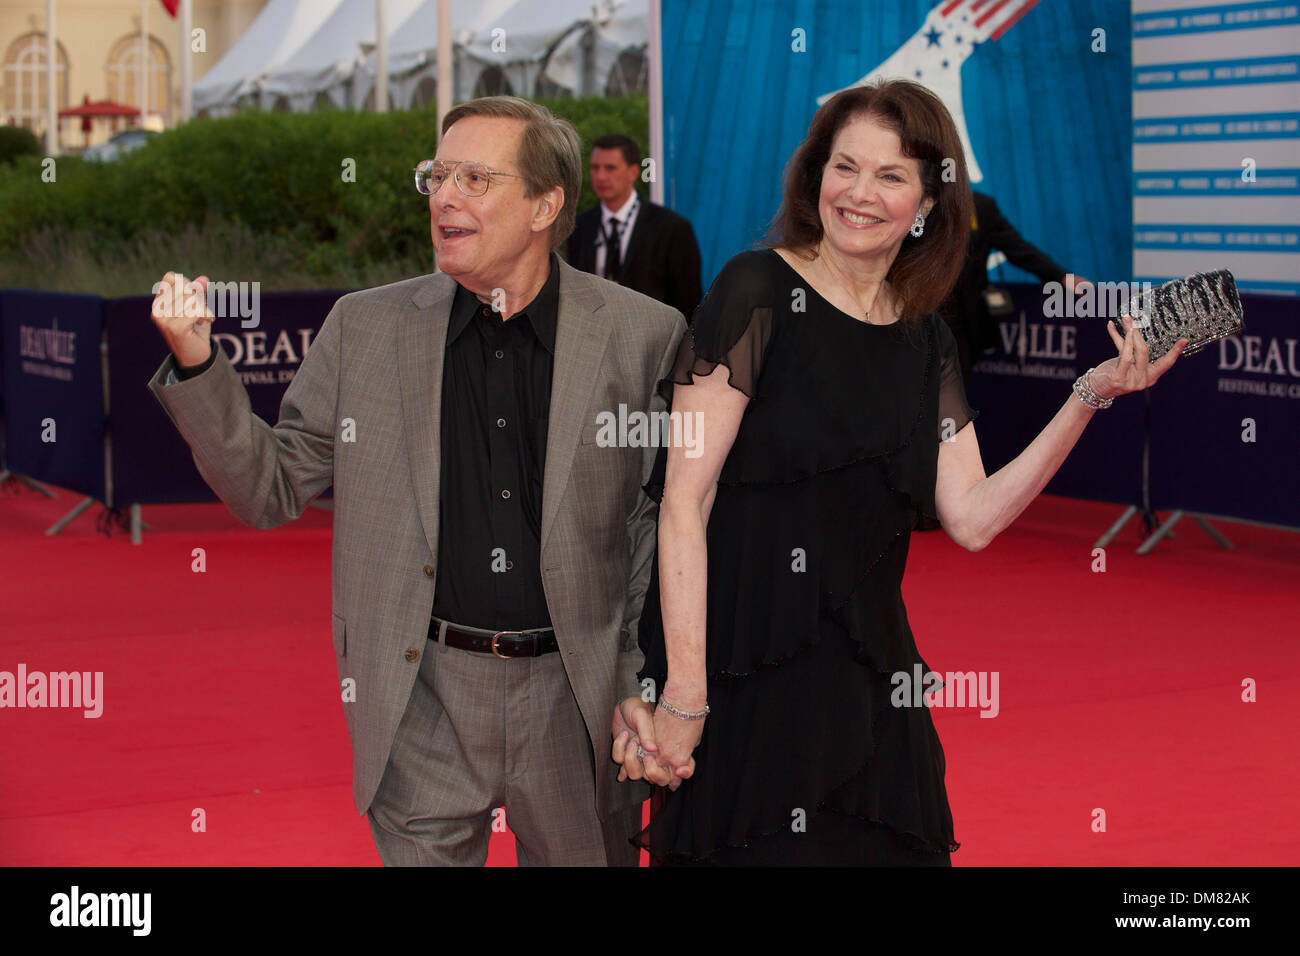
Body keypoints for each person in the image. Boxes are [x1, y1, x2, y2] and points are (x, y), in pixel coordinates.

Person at [610, 79, 1187, 866]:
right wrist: (683, 691)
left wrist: (1090, 395)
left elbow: (974, 518)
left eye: (891, 176)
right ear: (816, 176)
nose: (859, 193)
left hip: (870, 675)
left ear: (926, 203)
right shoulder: (756, 291)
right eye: (845, 166)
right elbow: (684, 500)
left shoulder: (927, 342)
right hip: (740, 671)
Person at [147, 96, 686, 866]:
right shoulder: (365, 329)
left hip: (577, 703)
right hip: (419, 696)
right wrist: (200, 363)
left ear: (545, 204)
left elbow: (658, 526)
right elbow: (268, 488)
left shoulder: (643, 334)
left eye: (474, 178)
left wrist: (644, 683)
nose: (444, 197)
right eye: (436, 176)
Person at [942, 190, 1093, 386]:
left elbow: (1018, 249)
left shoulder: (979, 206)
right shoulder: (910, 203)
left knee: (953, 395)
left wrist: (1060, 277)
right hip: (913, 321)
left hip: (961, 326)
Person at [567, 134, 703, 320]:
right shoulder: (579, 227)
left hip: (655, 341)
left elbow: (689, 303)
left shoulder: (672, 228)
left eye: (610, 168)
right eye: (595, 168)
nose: (601, 176)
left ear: (633, 172)